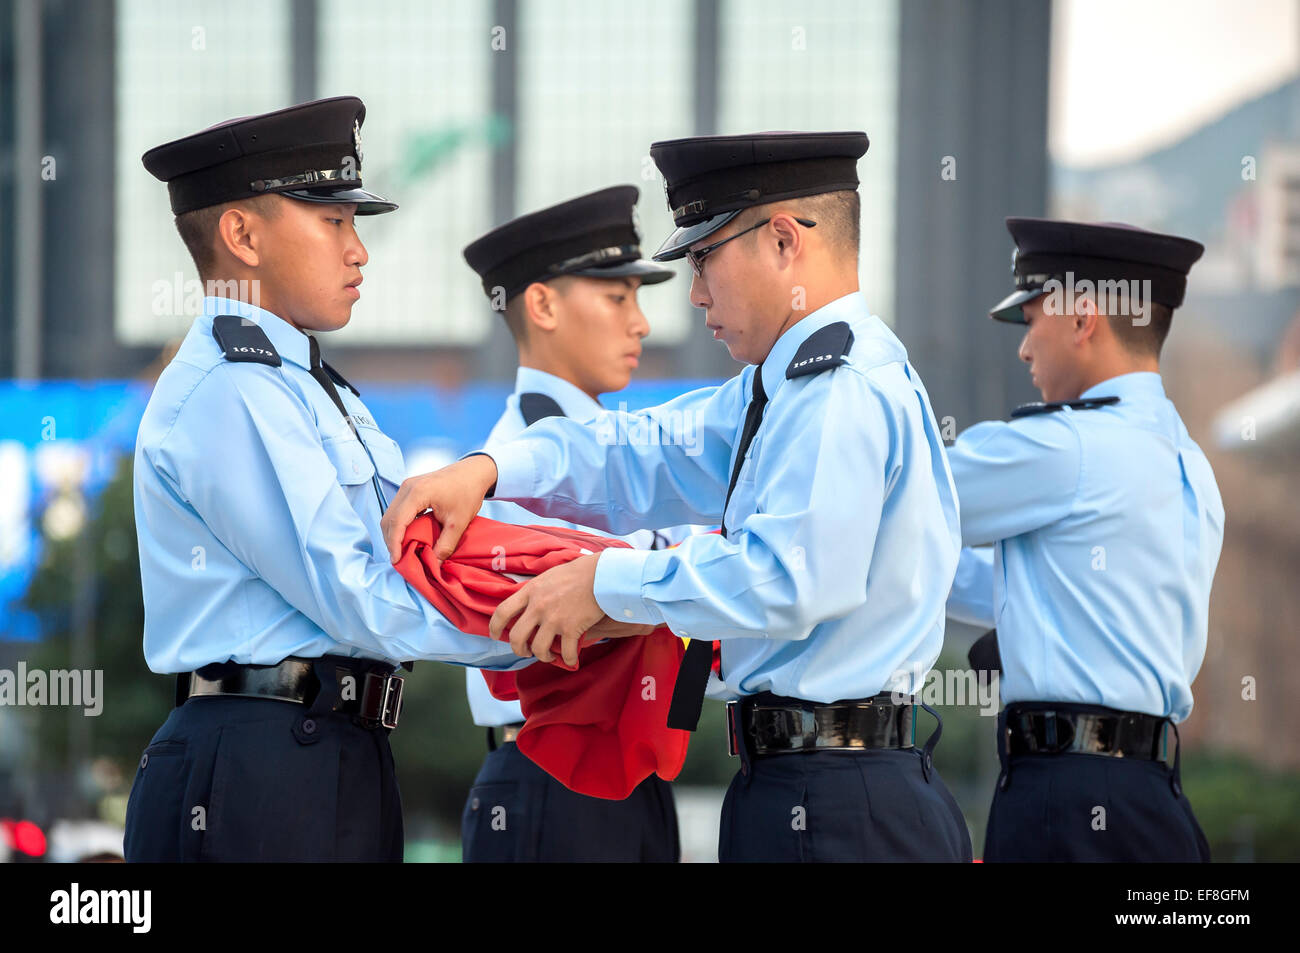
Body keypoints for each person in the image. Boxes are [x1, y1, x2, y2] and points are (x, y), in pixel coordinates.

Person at [382, 131, 973, 863]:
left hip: (839, 797)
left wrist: (609, 583)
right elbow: (640, 451)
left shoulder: (834, 389)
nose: (693, 295)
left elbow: (786, 578)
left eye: (703, 258)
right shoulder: (784, 387)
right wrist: (490, 469)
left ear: (783, 242)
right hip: (819, 785)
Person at [125, 96, 529, 862]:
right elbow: (356, 591)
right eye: (332, 220)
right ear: (241, 234)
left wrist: (578, 585)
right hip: (256, 765)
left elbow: (418, 556)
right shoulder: (233, 389)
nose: (359, 251)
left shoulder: (308, 385)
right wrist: (550, 623)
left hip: (322, 752)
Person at [945, 217, 1223, 862]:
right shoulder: (1187, 463)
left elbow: (892, 503)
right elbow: (1056, 596)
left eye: (1033, 316)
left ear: (1081, 317)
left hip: (1066, 806)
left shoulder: (1065, 445)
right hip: (1156, 800)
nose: (1023, 348)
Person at [456, 185, 688, 862]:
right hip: (554, 781)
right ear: (544, 304)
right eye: (617, 296)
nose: (640, 322)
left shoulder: (619, 450)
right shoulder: (519, 462)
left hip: (628, 777)